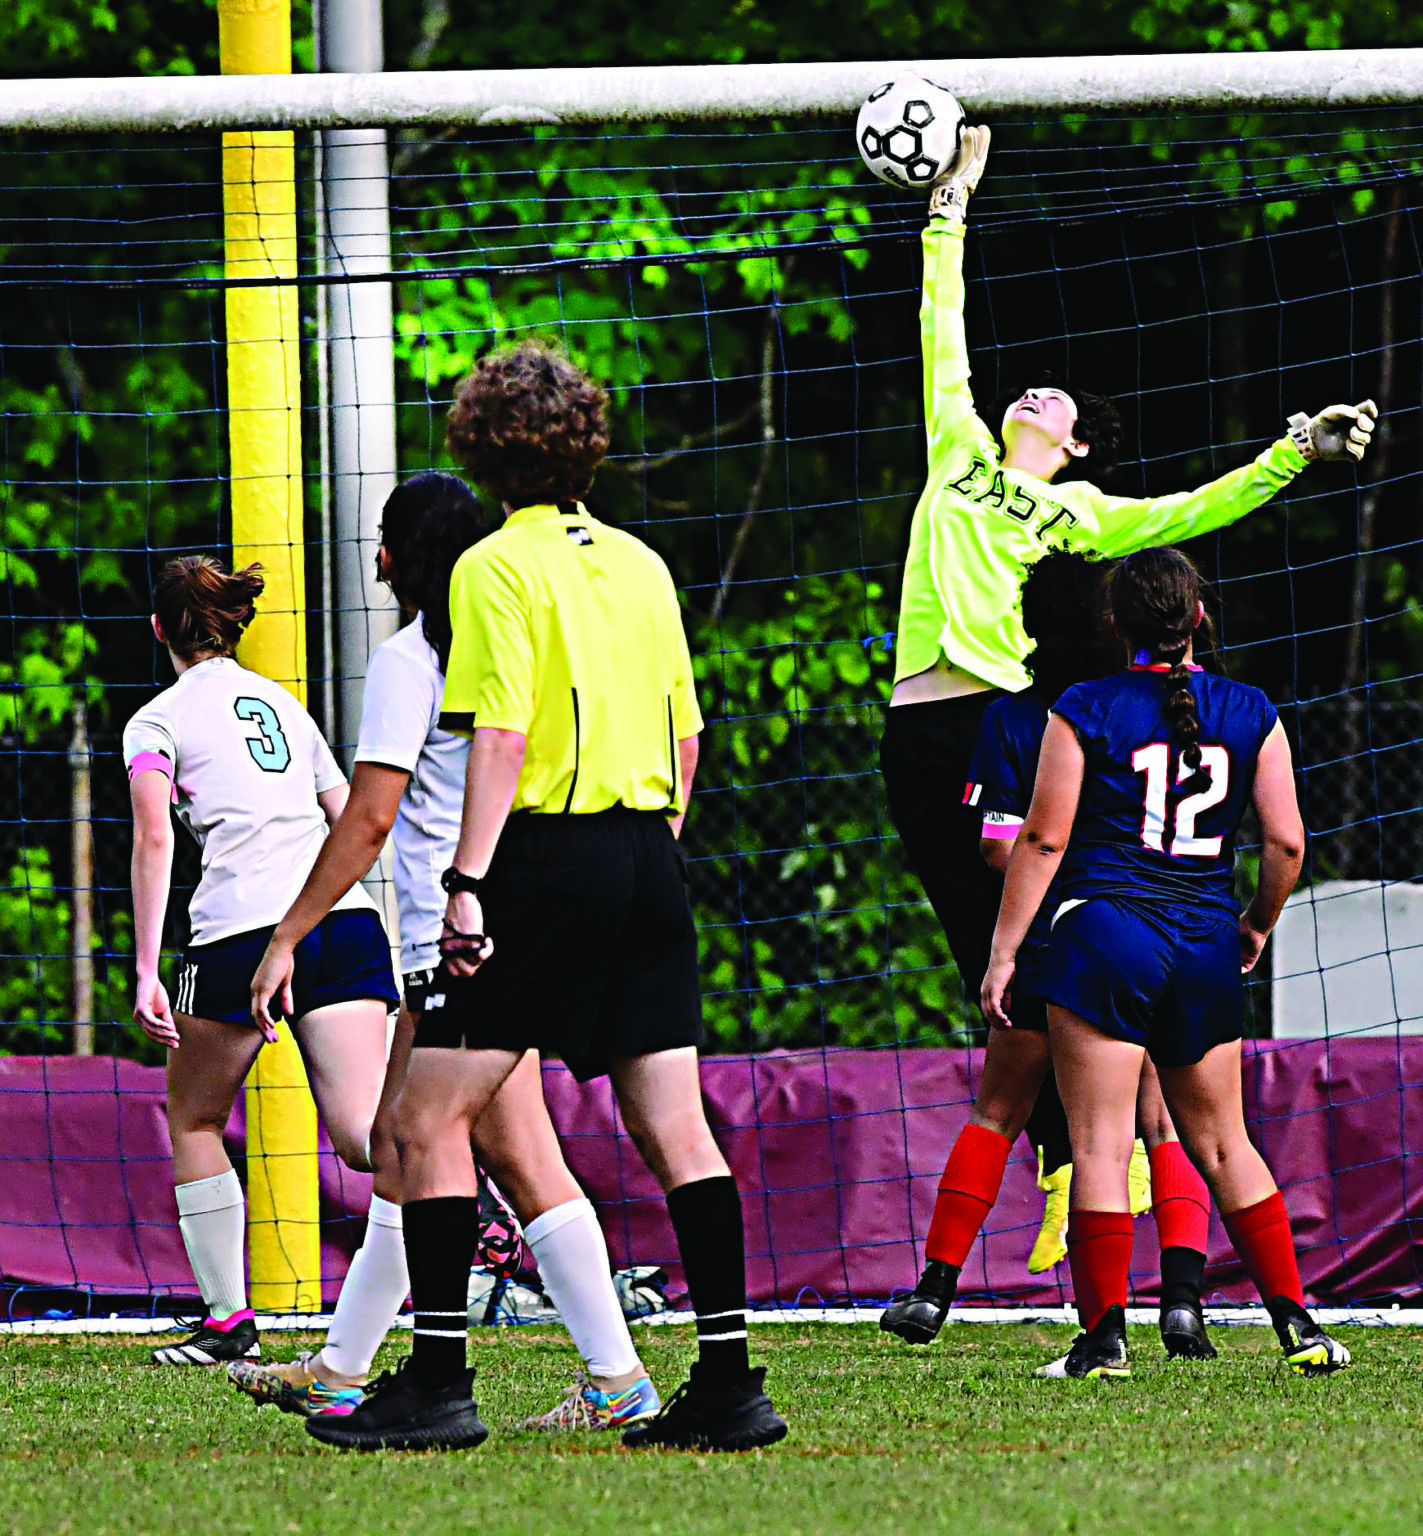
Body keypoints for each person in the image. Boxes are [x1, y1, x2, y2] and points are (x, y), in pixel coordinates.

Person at [876, 123, 1377, 1319]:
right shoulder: (955, 450)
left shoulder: (1084, 517)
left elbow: (1194, 509)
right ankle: (1063, 1158)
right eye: (1031, 389)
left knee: (1043, 957)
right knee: (980, 962)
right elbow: (938, 321)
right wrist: (950, 204)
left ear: (1078, 447)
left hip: (1004, 722)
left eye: (1058, 402)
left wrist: (1291, 455)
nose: (1033, 392)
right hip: (916, 729)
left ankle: (1087, 1188)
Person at [310, 341, 787, 1454]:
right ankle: (726, 1383)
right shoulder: (640, 563)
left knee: (426, 1118)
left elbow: (504, 735)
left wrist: (469, 882)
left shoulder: (488, 568)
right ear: (588, 444)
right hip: (645, 855)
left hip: (544, 857)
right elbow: (688, 731)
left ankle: (434, 1385)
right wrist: (648, 851)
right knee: (677, 1126)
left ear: (480, 445)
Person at [232, 471, 661, 1432]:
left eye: (382, 538)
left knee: (423, 1138)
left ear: (398, 554)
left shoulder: (407, 661)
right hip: (533, 916)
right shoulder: (521, 644)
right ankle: (356, 1364)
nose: (374, 555)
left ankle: (447, 1380)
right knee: (483, 1145)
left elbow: (372, 815)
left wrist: (288, 936)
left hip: (455, 935)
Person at [981, 545, 1351, 1380]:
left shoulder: (1081, 706)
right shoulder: (1250, 709)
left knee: (1101, 1144)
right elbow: (1287, 842)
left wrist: (1006, 952)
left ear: (1114, 624)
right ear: (1198, 618)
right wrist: (1254, 925)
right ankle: (1299, 1328)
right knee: (1224, 1143)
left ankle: (1101, 1342)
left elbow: (1040, 840)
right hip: (1202, 942)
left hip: (1105, 935)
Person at [880, 551, 1216, 1359]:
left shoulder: (1020, 716)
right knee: (1161, 1120)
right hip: (1148, 936)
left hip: (1046, 945)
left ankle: (933, 1292)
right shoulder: (1166, 711)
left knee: (998, 1108)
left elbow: (1003, 847)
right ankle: (1181, 1303)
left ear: (1027, 623)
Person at [125, 556, 400, 1367]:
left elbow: (153, 835)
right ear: (230, 625)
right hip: (343, 925)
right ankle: (481, 1212)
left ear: (158, 631)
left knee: (195, 1118)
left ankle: (226, 1324)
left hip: (237, 936)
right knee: (363, 1135)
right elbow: (347, 817)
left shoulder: (156, 721)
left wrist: (148, 970)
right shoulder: (286, 704)